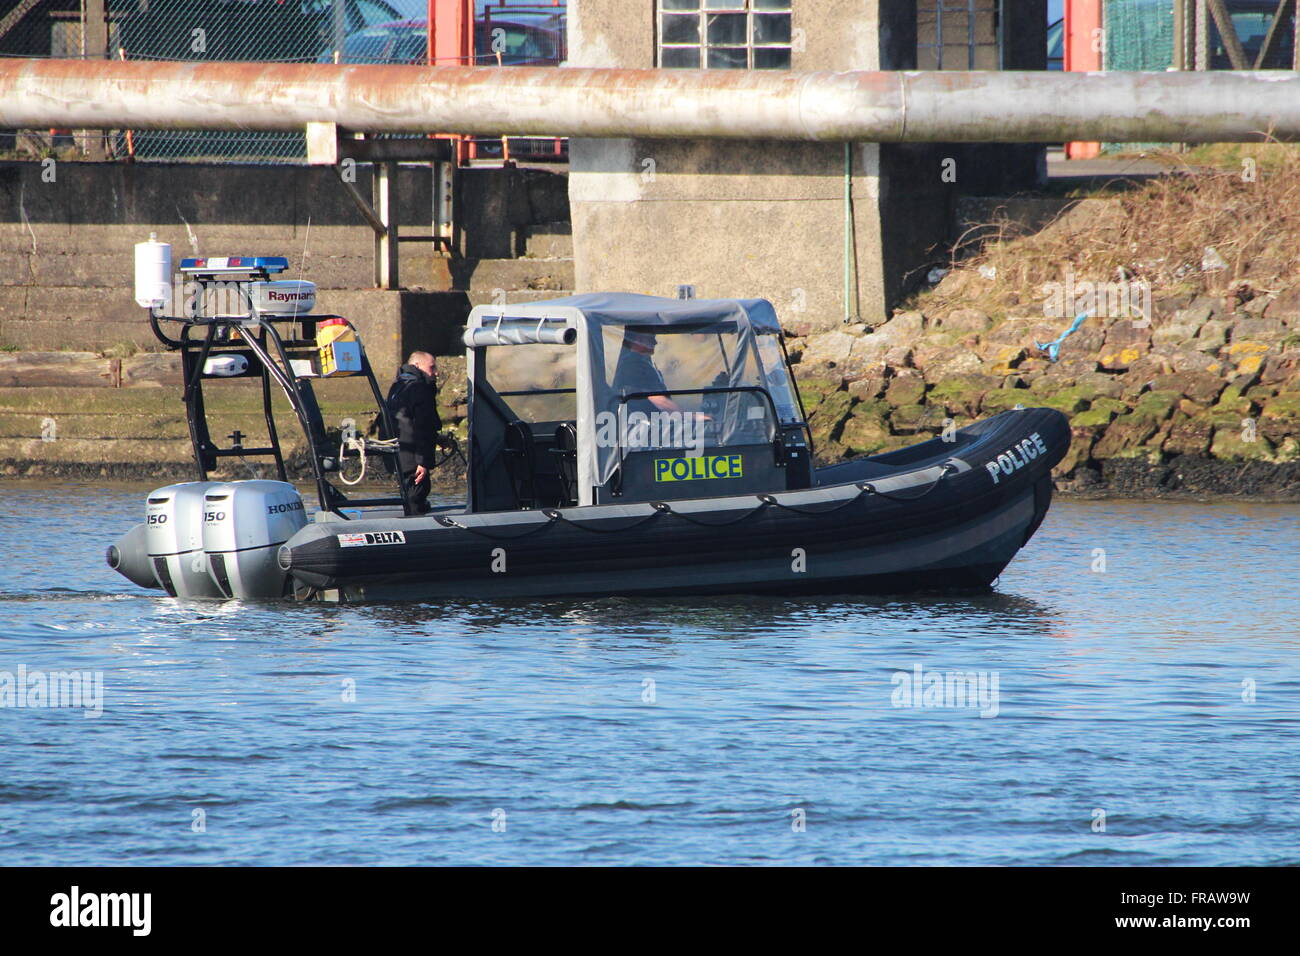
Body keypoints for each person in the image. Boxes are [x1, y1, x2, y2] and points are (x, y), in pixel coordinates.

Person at [386, 351, 442, 514]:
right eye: (432, 367)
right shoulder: (418, 387)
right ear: (417, 365)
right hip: (412, 458)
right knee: (416, 494)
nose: (436, 372)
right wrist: (422, 461)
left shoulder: (398, 385)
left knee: (409, 495)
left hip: (398, 454)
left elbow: (406, 421)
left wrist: (438, 438)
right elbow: (423, 427)